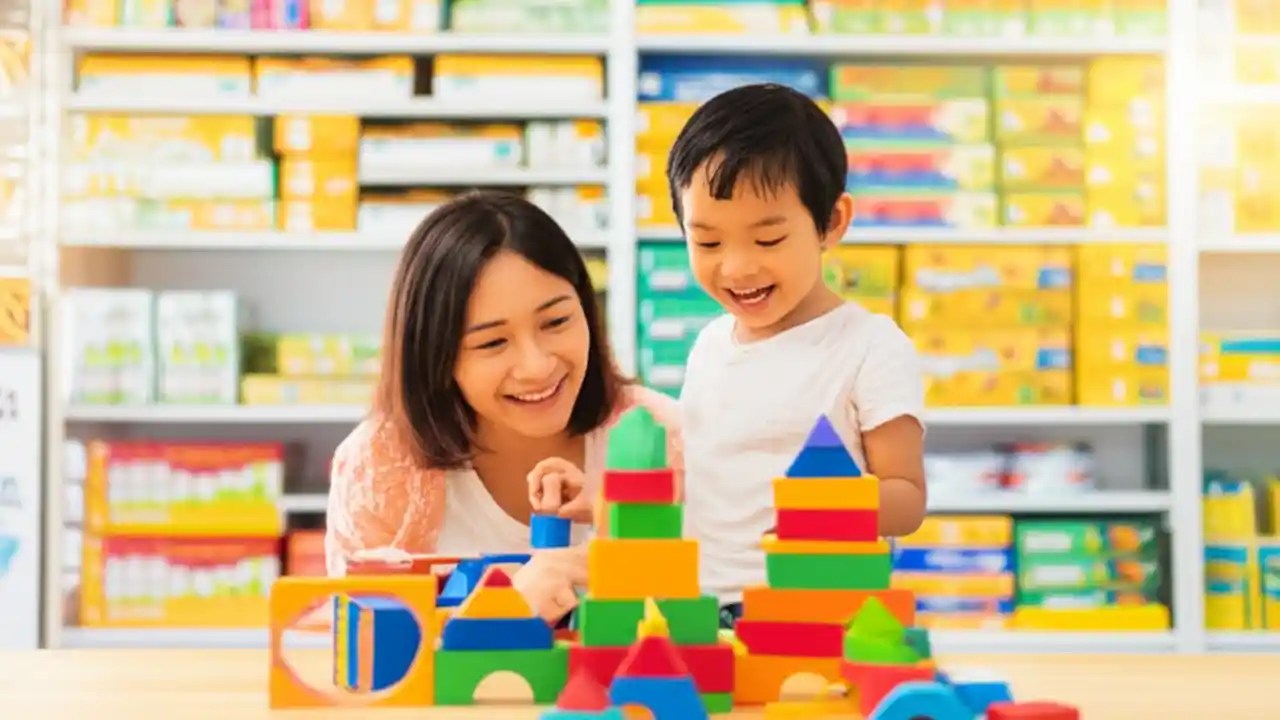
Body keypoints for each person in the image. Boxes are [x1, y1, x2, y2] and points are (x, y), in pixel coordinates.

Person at [324, 190, 680, 622]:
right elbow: (358, 647)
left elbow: (718, 612)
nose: (536, 366)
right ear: (436, 355)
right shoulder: (379, 467)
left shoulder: (661, 436)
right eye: (492, 342)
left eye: (556, 322)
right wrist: (501, 611)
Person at [665, 83, 928, 625]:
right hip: (698, 604)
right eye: (709, 243)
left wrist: (828, 509)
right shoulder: (709, 346)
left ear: (831, 222)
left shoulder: (869, 346)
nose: (737, 268)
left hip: (809, 608)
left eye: (768, 240)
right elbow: (702, 477)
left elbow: (906, 499)